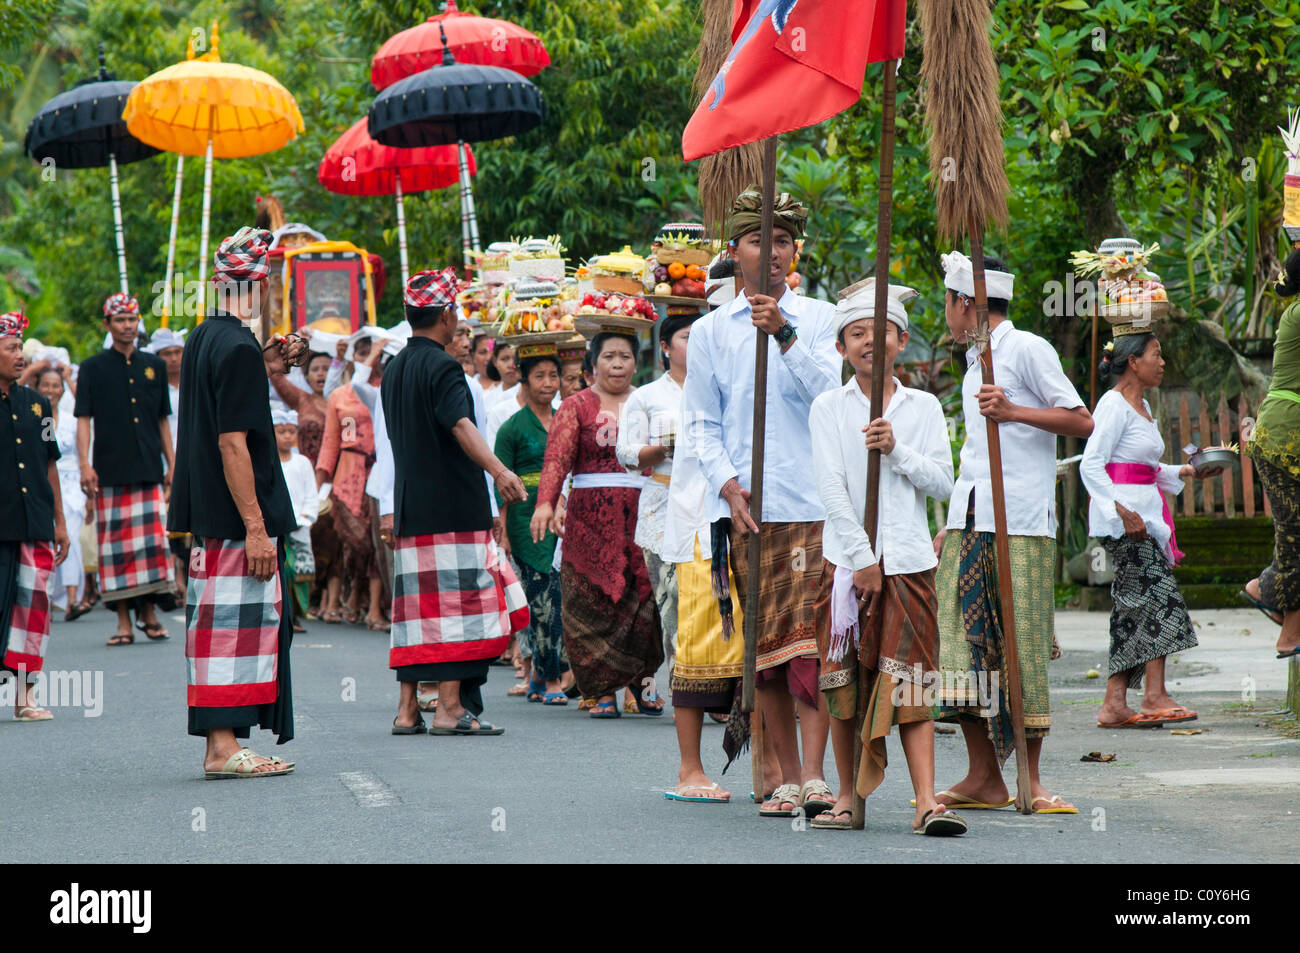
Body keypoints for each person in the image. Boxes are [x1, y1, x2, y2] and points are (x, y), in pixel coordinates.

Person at [681, 187, 839, 817]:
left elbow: (835, 396)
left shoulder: (821, 319)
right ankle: (781, 776)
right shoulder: (710, 332)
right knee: (766, 652)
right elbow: (701, 425)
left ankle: (817, 776)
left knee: (813, 646)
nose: (771, 253)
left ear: (793, 250)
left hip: (814, 504)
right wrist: (726, 484)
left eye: (781, 241)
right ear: (734, 252)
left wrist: (787, 336)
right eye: (757, 241)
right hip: (746, 509)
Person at [932, 250, 1093, 815]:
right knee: (961, 646)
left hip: (1020, 522)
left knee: (1021, 644)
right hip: (971, 519)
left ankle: (1031, 778)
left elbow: (1081, 419)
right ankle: (984, 777)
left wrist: (1016, 412)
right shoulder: (977, 361)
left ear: (964, 302)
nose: (945, 314)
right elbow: (975, 454)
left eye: (947, 303)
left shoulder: (1025, 348)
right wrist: (952, 526)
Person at [808, 280, 966, 835]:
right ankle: (849, 800)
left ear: (901, 341)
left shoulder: (923, 407)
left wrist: (896, 450)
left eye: (881, 332)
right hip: (849, 566)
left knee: (912, 683)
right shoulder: (828, 407)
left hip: (910, 563)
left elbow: (944, 482)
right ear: (841, 347)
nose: (870, 342)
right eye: (857, 334)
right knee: (844, 684)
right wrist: (861, 557)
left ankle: (926, 801)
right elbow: (831, 489)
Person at [168, 225, 303, 778]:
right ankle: (222, 748)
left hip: (208, 514)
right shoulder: (238, 348)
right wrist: (255, 526)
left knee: (224, 625)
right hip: (234, 519)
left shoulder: (204, 336)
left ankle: (223, 745)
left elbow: (223, 407)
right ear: (262, 283)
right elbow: (232, 442)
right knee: (232, 627)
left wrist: (266, 362)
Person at [382, 269, 529, 736]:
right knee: (458, 608)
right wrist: (501, 471)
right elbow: (461, 426)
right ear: (445, 316)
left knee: (416, 613)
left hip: (411, 507)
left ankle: (407, 710)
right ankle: (448, 709)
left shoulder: (396, 368)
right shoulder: (442, 367)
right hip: (450, 508)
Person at [533, 331, 665, 718]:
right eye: (609, 356)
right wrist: (545, 502)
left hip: (646, 511)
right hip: (590, 517)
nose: (618, 363)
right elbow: (557, 458)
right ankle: (601, 690)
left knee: (648, 601)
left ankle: (643, 686)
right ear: (594, 364)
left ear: (636, 362)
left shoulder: (651, 401)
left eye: (625, 355)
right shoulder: (575, 406)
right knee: (591, 601)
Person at [75, 293, 175, 645]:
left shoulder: (154, 366)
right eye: (120, 320)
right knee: (115, 548)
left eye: (132, 320)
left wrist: (172, 464)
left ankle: (148, 613)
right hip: (109, 470)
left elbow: (163, 419)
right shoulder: (91, 368)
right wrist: (85, 464)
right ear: (107, 325)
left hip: (149, 467)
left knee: (149, 546)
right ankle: (122, 621)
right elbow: (84, 420)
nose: (127, 326)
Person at [617, 306, 698, 691]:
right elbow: (627, 454)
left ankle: (714, 682)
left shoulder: (719, 388)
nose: (695, 344)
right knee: (672, 597)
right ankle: (684, 682)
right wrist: (663, 447)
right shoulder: (646, 397)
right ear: (665, 347)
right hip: (663, 501)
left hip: (710, 501)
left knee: (711, 594)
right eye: (686, 337)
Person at [0, 312, 69, 721]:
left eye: (20, 349)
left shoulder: (40, 406)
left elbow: (49, 462)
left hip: (36, 521)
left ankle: (25, 697)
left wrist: (60, 520)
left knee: (33, 609)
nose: (19, 356)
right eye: (11, 349)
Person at [495, 344, 571, 704]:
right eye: (539, 376)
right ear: (524, 379)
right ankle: (550, 680)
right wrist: (504, 534)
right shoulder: (511, 427)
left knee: (558, 599)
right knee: (540, 601)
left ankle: (543, 676)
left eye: (553, 375)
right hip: (526, 521)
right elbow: (501, 485)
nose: (548, 382)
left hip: (561, 517)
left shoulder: (564, 420)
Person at [1244, 248, 1300, 659]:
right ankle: (1289, 632)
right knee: (1296, 536)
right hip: (1284, 437)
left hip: (1286, 433)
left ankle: (1265, 588)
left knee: (1295, 534)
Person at [315, 335, 385, 630]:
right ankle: (350, 594)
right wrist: (317, 487)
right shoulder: (339, 396)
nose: (370, 358)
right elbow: (330, 442)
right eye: (363, 353)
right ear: (355, 356)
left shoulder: (386, 390)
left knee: (378, 541)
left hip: (380, 473)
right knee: (353, 541)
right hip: (347, 475)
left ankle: (370, 606)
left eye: (374, 353)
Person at [36, 367, 88, 618]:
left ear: (62, 389)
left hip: (73, 485)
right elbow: (47, 458)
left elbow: (83, 455)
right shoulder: (40, 419)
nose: (50, 390)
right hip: (46, 485)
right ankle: (46, 596)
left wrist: (89, 495)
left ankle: (72, 597)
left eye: (55, 385)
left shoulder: (72, 420)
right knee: (47, 539)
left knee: (72, 538)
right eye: (45, 384)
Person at [146, 327, 191, 601]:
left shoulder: (194, 382)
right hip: (162, 462)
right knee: (165, 520)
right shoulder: (152, 387)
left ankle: (186, 572)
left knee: (191, 519)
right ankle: (172, 574)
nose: (173, 358)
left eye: (177, 352)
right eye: (167, 354)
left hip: (191, 460)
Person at [275, 407, 318, 634]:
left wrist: (306, 517)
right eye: (282, 432)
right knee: (281, 569)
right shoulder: (271, 461)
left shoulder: (302, 462)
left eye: (291, 431)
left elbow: (311, 493)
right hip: (278, 526)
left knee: (298, 573)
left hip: (300, 525)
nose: (288, 436)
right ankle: (282, 614)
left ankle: (296, 614)